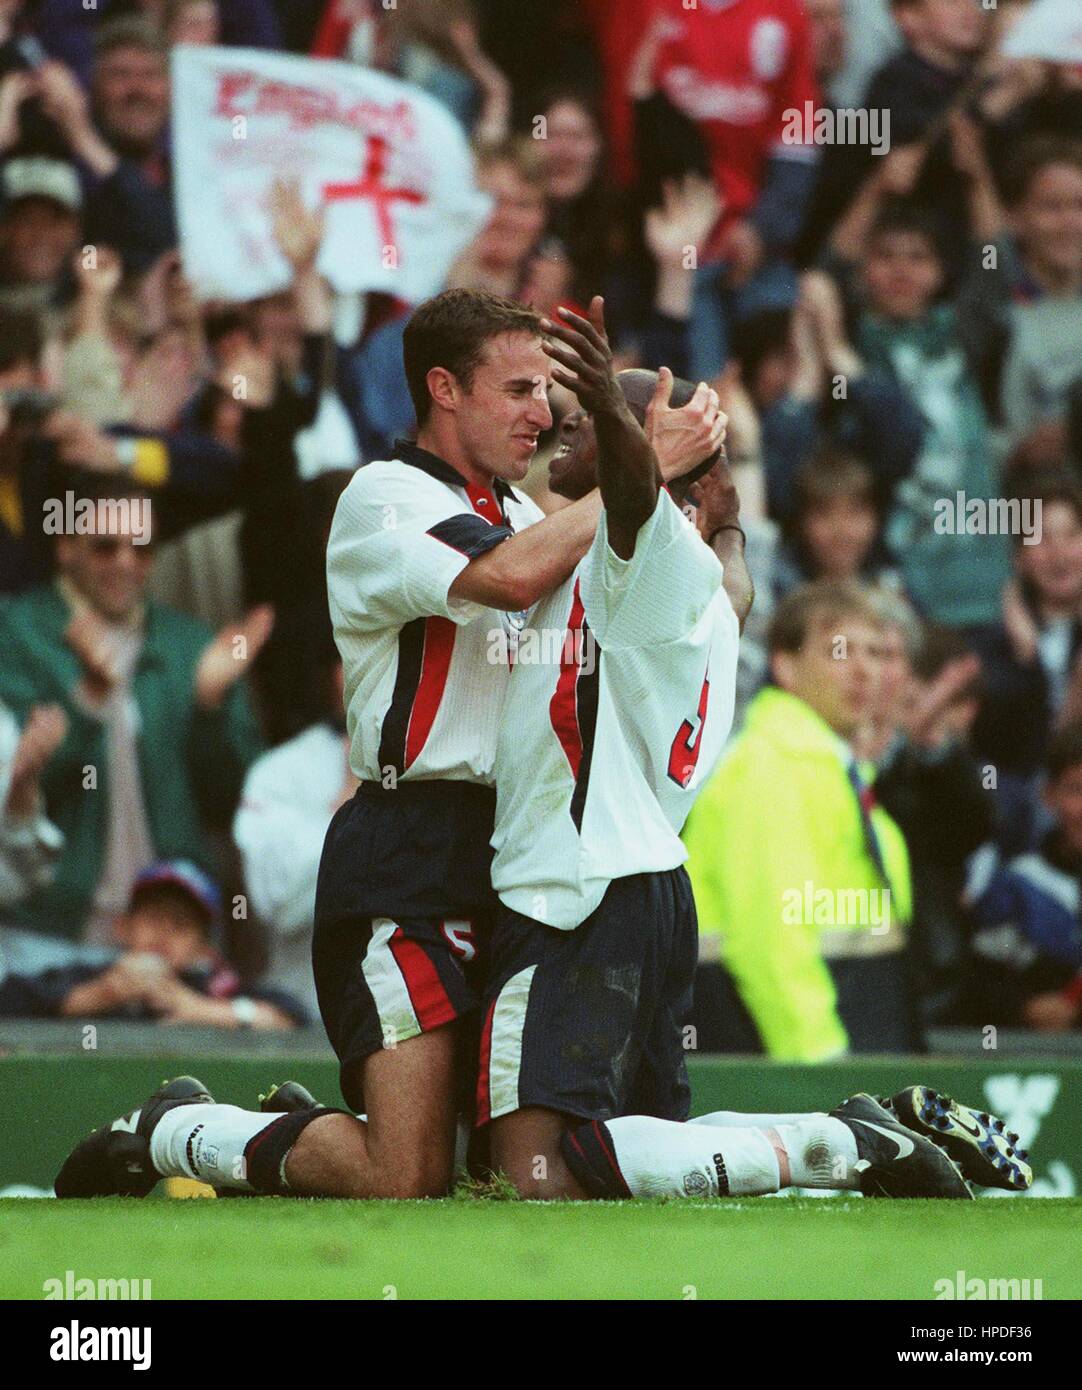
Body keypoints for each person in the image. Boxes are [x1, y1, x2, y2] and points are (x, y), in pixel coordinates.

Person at [50, 286, 720, 1201]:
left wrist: (703, 507)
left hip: (517, 854)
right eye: (518, 390)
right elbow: (510, 580)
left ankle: (299, 1126)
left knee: (494, 1169)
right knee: (406, 1176)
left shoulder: (535, 515)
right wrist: (629, 473)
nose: (540, 415)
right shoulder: (384, 495)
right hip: (406, 849)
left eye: (548, 397)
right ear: (443, 388)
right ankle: (181, 1128)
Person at [0, 483, 267, 942]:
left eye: (142, 548)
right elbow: (18, 795)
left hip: (175, 936)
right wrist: (89, 700)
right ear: (65, 547)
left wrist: (209, 705)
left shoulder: (190, 642)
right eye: (106, 547)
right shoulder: (18, 630)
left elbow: (231, 801)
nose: (126, 562)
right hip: (52, 926)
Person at [684, 579, 920, 1060]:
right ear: (785, 666)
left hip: (863, 1029)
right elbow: (772, 945)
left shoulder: (828, 767)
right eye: (839, 651)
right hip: (784, 1059)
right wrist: (825, 1068)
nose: (863, 671)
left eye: (875, 653)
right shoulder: (770, 769)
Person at [0, 857, 305, 1027]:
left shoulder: (214, 989)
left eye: (180, 925)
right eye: (153, 919)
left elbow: (292, 1017)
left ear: (203, 948)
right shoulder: (91, 975)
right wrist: (104, 993)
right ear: (123, 927)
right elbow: (11, 997)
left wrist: (197, 1009)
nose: (163, 933)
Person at [965, 722, 1082, 1033]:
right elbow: (981, 982)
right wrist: (1023, 1008)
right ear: (1049, 795)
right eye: (1076, 790)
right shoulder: (1018, 886)